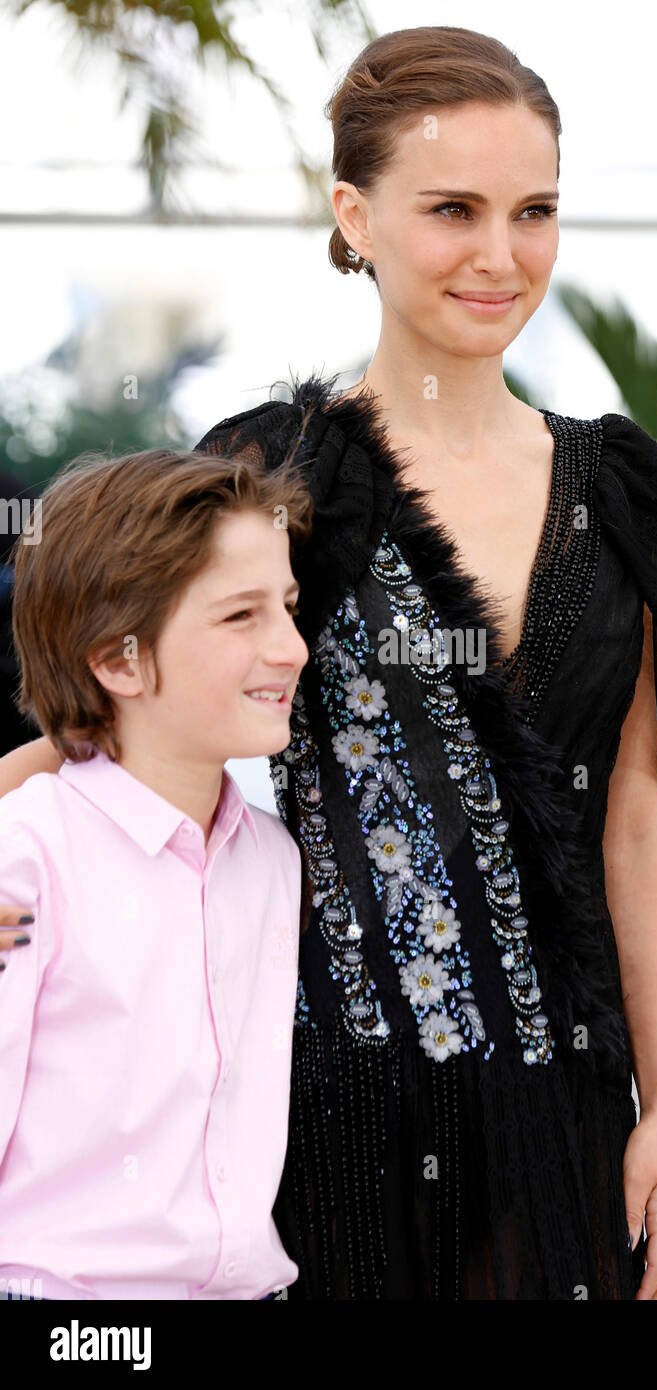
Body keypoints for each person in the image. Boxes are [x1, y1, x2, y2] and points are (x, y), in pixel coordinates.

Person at [1, 25, 657, 1300]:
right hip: (319, 1114)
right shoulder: (275, 474)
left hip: (564, 1099)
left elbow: (636, 820)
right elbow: (108, 721)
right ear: (356, 215)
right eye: (453, 209)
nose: (502, 256)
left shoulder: (628, 494)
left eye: (535, 210)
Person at [0, 443, 312, 1300]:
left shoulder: (273, 863)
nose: (291, 647)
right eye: (240, 616)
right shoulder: (26, 859)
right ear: (120, 660)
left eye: (288, 606)